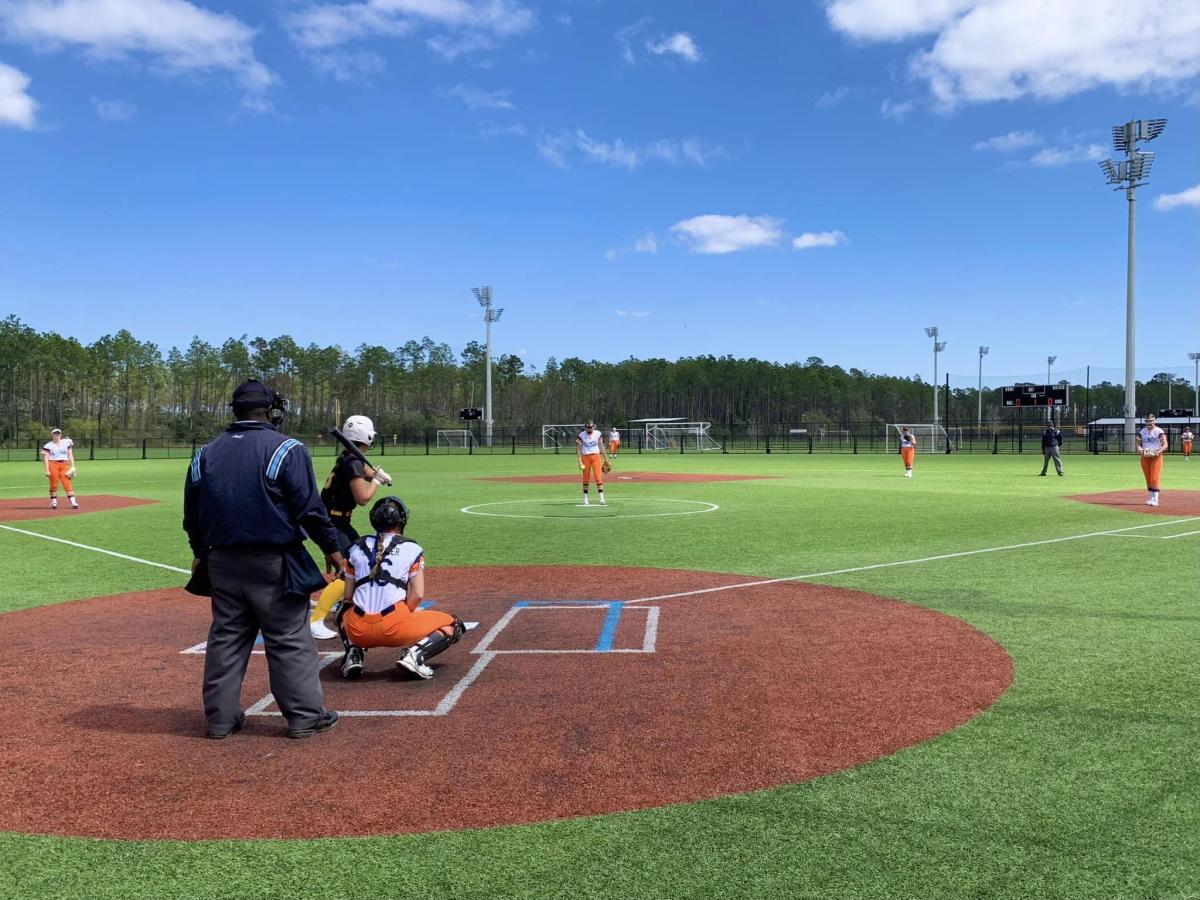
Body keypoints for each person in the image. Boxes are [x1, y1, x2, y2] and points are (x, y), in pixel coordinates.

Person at [183, 379, 343, 740]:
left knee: (226, 637)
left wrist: (197, 552)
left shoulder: (204, 453)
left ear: (236, 410)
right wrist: (331, 546)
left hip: (221, 561)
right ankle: (304, 717)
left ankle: (220, 720)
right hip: (274, 562)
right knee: (288, 637)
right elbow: (310, 508)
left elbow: (192, 515)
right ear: (269, 410)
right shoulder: (287, 448)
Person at [337, 496, 467, 680]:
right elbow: (417, 595)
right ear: (401, 520)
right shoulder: (411, 548)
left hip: (359, 631)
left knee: (342, 608)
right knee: (454, 624)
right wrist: (404, 614)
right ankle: (415, 655)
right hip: (394, 626)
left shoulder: (354, 549)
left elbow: (348, 596)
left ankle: (353, 654)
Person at [308, 415, 392, 641]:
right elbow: (363, 498)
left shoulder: (350, 457)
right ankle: (316, 621)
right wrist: (377, 482)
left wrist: (375, 474)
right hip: (331, 521)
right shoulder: (352, 461)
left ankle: (343, 604)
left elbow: (364, 470)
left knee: (358, 558)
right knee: (349, 568)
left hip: (338, 521)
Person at [1135, 414, 1168, 507]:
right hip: (1145, 457)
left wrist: (1159, 451)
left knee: (1154, 478)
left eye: (1151, 421)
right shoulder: (1142, 431)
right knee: (1148, 478)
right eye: (1147, 421)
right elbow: (1137, 444)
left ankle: (1156, 499)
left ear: (1154, 421)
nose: (1149, 423)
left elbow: (1165, 444)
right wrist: (1141, 450)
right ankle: (1150, 497)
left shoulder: (1159, 431)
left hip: (1156, 457)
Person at [42, 428, 79, 509]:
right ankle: (54, 502)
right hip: (53, 464)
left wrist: (72, 466)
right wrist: (47, 470)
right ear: (52, 435)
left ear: (60, 434)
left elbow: (70, 454)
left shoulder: (66, 443)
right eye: (55, 434)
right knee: (54, 484)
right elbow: (46, 458)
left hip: (64, 464)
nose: (57, 435)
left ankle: (73, 502)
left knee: (67, 482)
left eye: (58, 433)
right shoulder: (48, 445)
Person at [576, 420, 611, 506]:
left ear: (594, 426)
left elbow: (601, 446)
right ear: (585, 427)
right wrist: (579, 461)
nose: (589, 428)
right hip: (585, 457)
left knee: (598, 477)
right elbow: (578, 449)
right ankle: (585, 499)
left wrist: (606, 459)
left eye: (591, 427)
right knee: (585, 477)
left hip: (596, 456)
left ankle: (602, 498)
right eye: (588, 427)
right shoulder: (581, 435)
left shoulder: (598, 433)